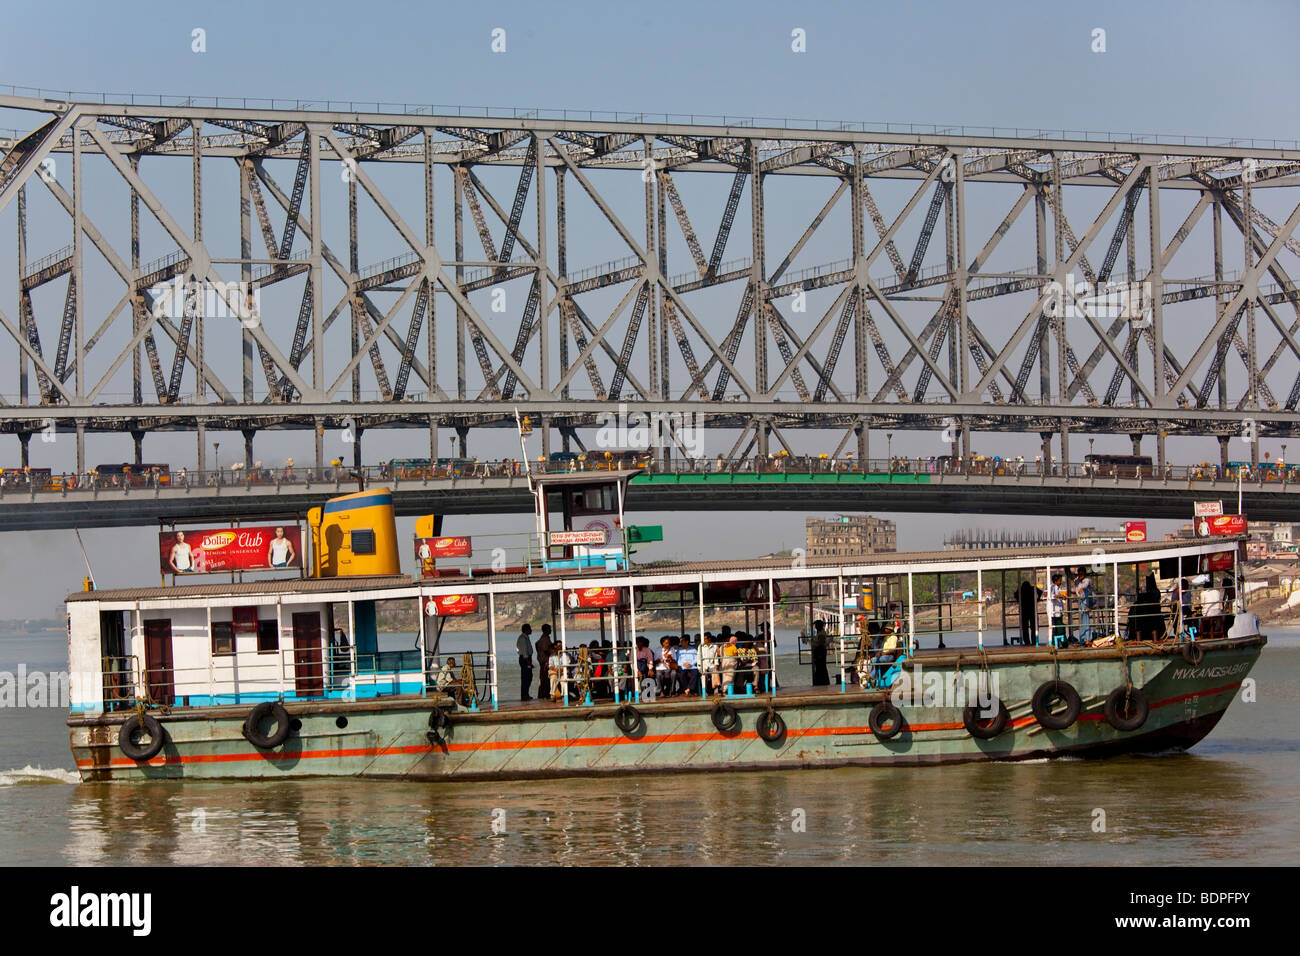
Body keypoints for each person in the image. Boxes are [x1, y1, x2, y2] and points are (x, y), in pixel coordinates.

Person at [1073, 567, 1094, 645]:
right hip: (1081, 602)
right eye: (1079, 574)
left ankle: (1087, 639)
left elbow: (1085, 586)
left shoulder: (1087, 580)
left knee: (1086, 620)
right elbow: (1072, 579)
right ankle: (1083, 638)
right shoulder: (1077, 581)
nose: (1080, 575)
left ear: (1085, 574)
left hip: (1088, 602)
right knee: (1082, 621)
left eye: (1082, 574)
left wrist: (1081, 588)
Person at [1016, 578, 1040, 645]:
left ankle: (1027, 641)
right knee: (1034, 627)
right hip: (1032, 609)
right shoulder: (1032, 588)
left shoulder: (1021, 590)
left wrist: (1019, 601)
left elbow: (1015, 595)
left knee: (1025, 627)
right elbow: (1040, 592)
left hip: (1024, 610)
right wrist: (1037, 599)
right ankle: (1034, 641)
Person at [516, 623, 534, 701]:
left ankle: (526, 694)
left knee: (529, 677)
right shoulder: (522, 638)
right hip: (525, 659)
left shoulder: (526, 637)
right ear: (526, 630)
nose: (531, 630)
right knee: (526, 677)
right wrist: (528, 662)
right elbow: (524, 652)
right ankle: (524, 696)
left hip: (527, 658)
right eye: (530, 629)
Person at [810, 619, 830, 686]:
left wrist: (814, 644)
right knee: (820, 667)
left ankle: (821, 681)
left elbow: (821, 643)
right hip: (819, 651)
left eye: (816, 625)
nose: (815, 627)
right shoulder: (820, 633)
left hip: (820, 651)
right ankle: (821, 681)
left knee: (821, 667)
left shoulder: (821, 633)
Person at [535, 626, 553, 701]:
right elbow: (546, 649)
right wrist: (553, 651)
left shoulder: (543, 638)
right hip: (545, 661)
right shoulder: (545, 639)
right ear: (546, 630)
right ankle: (544, 694)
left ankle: (542, 694)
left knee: (543, 677)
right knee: (545, 678)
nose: (551, 630)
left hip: (543, 660)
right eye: (549, 629)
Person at [1049, 574, 1066, 646]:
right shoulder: (1053, 587)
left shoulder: (1057, 588)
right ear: (1055, 581)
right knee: (1059, 628)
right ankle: (1061, 643)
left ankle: (1057, 643)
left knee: (1057, 628)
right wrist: (1061, 596)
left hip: (1057, 612)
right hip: (1055, 612)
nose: (1061, 582)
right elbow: (1052, 596)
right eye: (1059, 581)